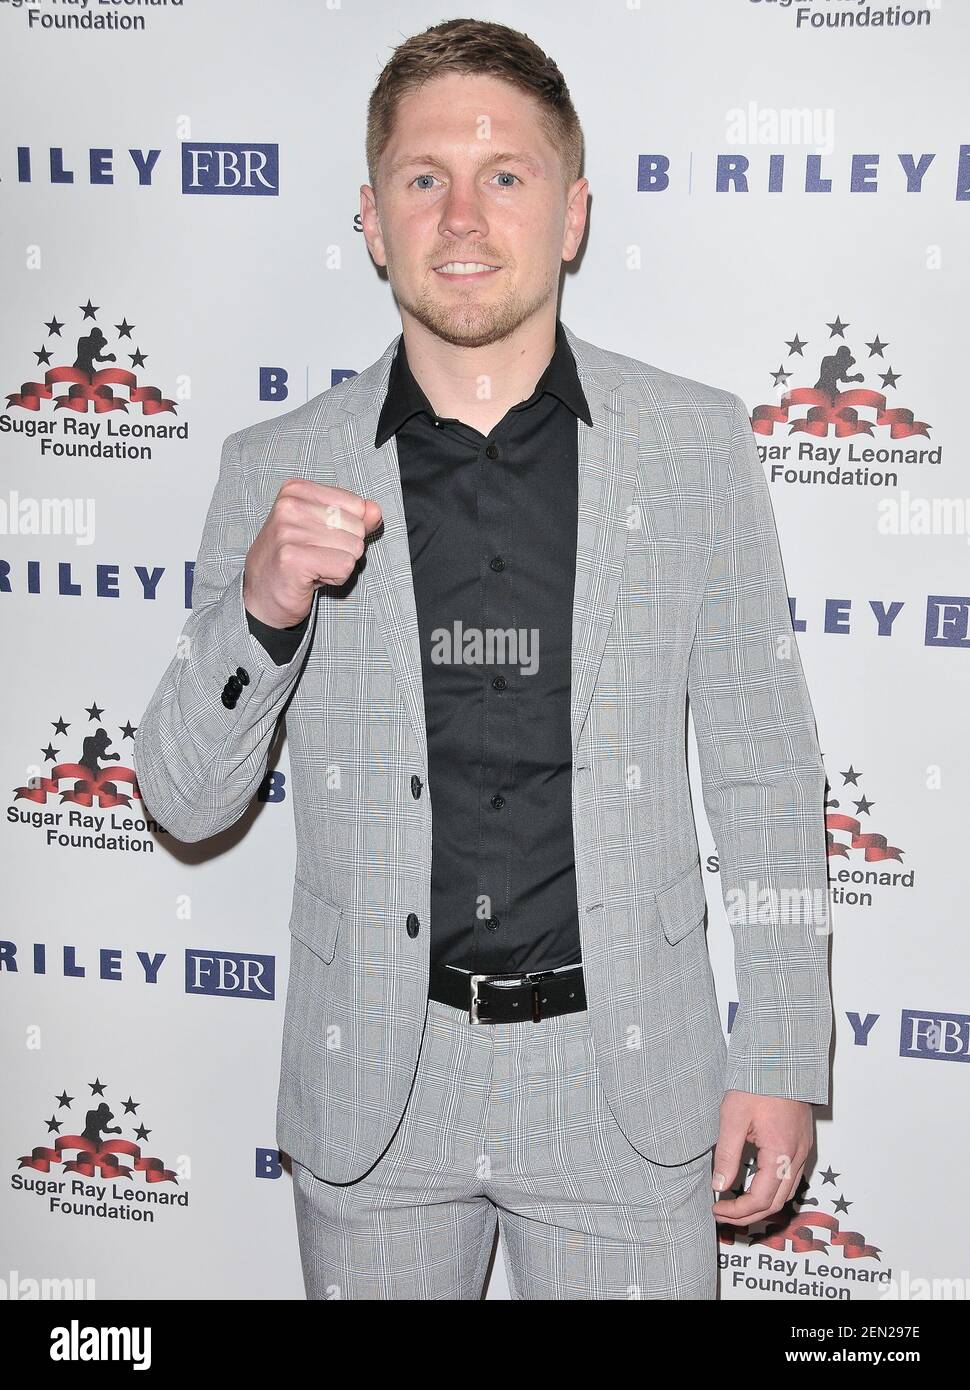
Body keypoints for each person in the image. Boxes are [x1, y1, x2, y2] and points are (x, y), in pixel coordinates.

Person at [134, 17, 832, 1300]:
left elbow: (768, 775)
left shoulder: (694, 447)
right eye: (422, 179)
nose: (461, 216)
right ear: (370, 216)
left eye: (503, 175)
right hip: (375, 1099)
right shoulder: (270, 469)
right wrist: (263, 607)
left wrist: (782, 1049)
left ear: (569, 215)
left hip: (625, 1088)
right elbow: (183, 801)